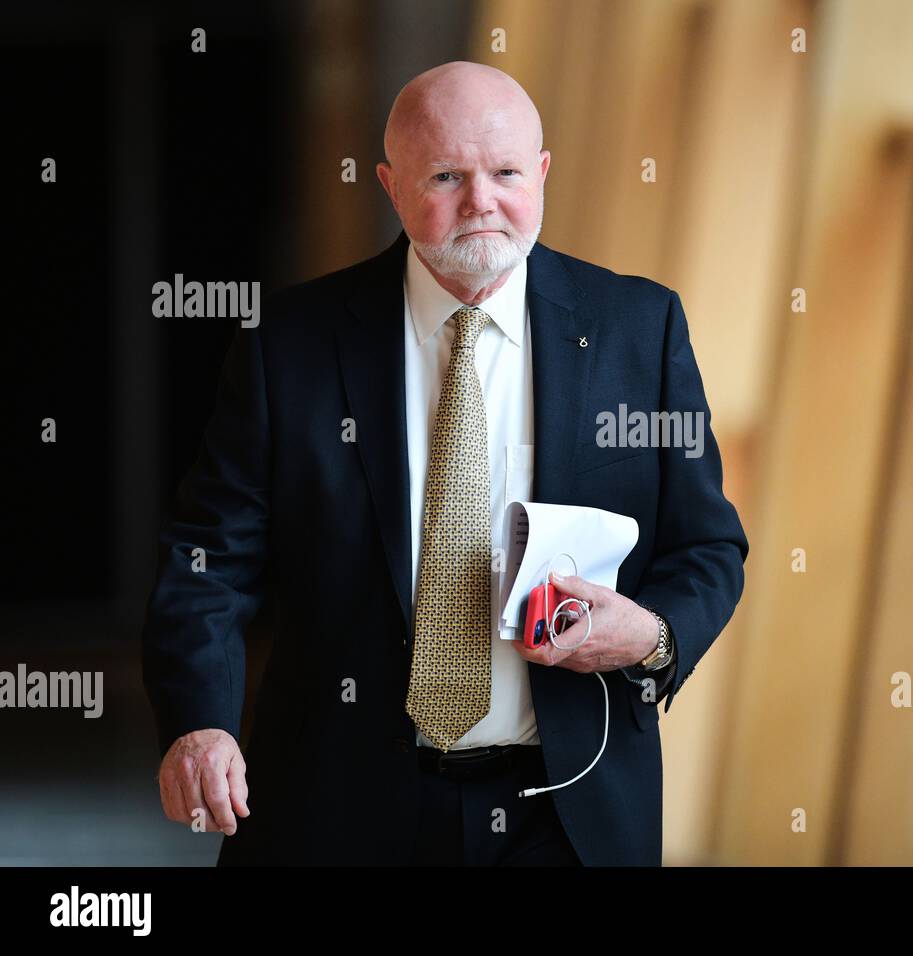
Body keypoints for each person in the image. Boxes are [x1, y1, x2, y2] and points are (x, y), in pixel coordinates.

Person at [141, 60, 747, 866]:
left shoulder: (642, 328)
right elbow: (207, 561)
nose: (482, 202)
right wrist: (199, 721)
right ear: (391, 186)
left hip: (567, 809)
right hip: (339, 807)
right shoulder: (288, 346)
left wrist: (656, 634)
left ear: (541, 173)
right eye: (446, 175)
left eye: (504, 172)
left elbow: (707, 547)